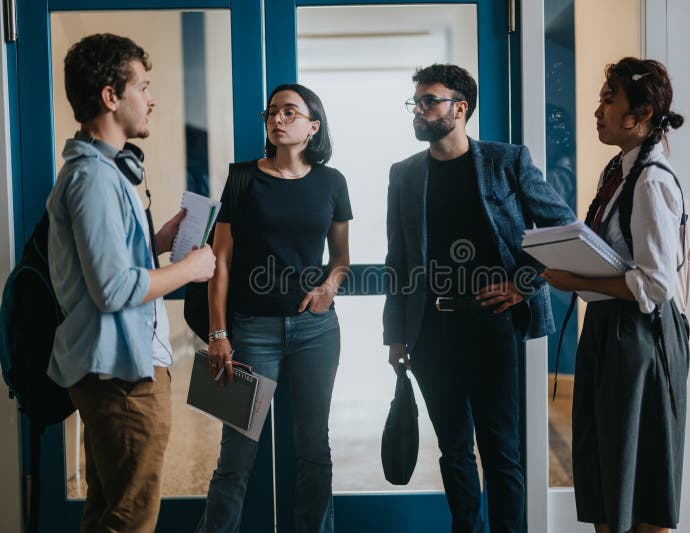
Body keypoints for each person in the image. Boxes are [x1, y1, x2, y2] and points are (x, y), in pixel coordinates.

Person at [383, 64, 575, 532]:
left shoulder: (504, 161)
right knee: (453, 449)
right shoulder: (405, 174)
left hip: (493, 325)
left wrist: (521, 284)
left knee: (500, 448)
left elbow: (562, 227)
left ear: (460, 108)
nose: (419, 110)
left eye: (429, 101)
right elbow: (400, 258)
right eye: (416, 102)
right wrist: (396, 335)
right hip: (432, 329)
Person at [47, 33, 216, 532]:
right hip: (120, 378)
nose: (152, 97)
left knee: (108, 512)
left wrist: (157, 241)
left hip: (117, 371)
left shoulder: (104, 174)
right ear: (110, 96)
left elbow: (108, 268)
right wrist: (189, 270)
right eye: (142, 85)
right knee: (130, 518)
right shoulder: (94, 180)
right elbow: (114, 289)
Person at [541, 57, 689, 533]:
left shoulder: (652, 180)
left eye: (609, 100)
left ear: (640, 112)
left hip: (641, 341)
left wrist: (576, 281)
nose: (598, 110)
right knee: (606, 469)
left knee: (640, 474)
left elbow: (655, 284)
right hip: (610, 332)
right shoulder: (619, 169)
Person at [196, 83, 351, 533]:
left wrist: (329, 288)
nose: (277, 119)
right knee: (236, 455)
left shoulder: (331, 182)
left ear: (312, 126)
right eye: (272, 112)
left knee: (314, 450)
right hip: (250, 331)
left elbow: (339, 259)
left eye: (290, 112)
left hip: (316, 332)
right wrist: (219, 333)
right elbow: (220, 259)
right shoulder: (243, 177)